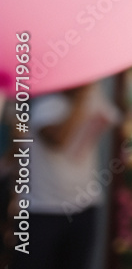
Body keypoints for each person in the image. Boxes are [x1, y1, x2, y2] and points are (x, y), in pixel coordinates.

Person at [13, 82, 119, 269]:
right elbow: (58, 138)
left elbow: (111, 118)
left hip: (84, 206)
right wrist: (79, 102)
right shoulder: (44, 101)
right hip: (42, 210)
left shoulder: (91, 95)